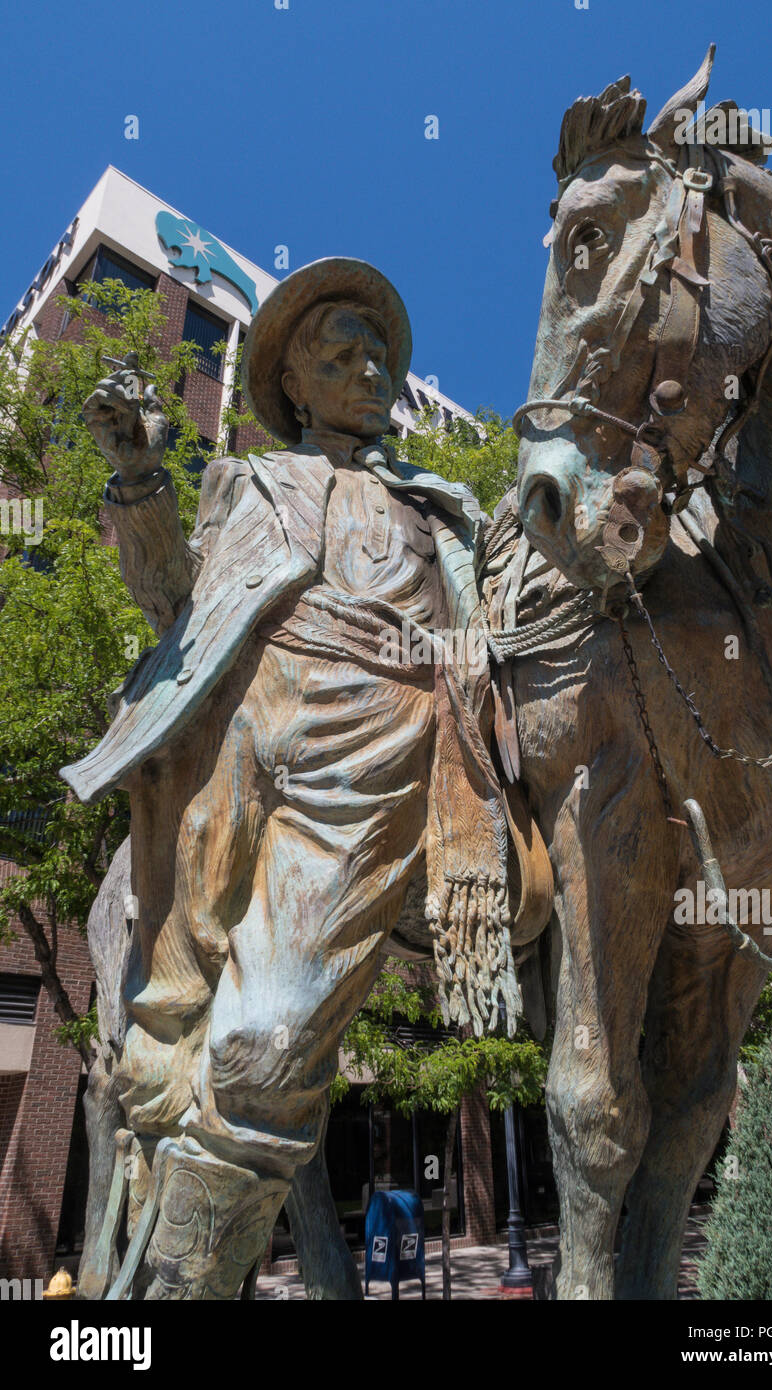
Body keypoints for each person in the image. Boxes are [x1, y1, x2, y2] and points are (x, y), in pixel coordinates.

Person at [64, 258, 523, 1300]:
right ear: (294, 385)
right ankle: (108, 1303)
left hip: (373, 747)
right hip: (234, 738)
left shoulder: (440, 508)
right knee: (157, 1034)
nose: (369, 372)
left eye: (379, 358)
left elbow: (497, 638)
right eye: (341, 356)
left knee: (264, 1047)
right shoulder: (248, 480)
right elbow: (171, 604)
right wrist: (138, 476)